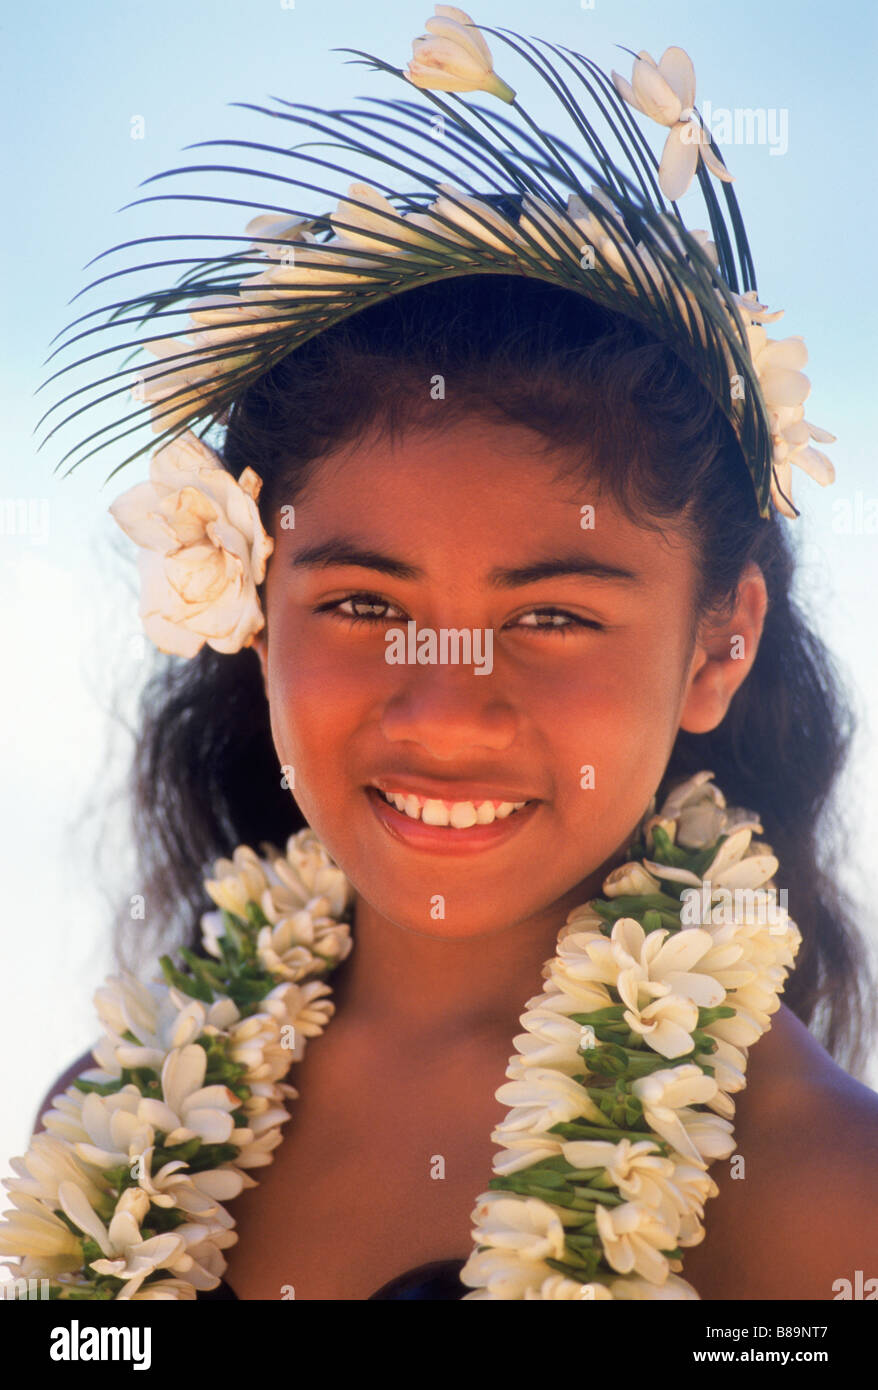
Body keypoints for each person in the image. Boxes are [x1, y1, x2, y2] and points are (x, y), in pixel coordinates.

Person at [5, 10, 878, 1301]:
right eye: (362, 602)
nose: (445, 704)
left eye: (553, 616)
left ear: (718, 641)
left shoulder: (819, 1196)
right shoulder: (110, 1131)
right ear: (249, 604)